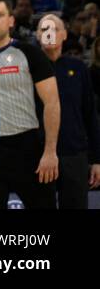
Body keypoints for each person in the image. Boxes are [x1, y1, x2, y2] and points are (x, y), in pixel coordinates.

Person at [0, 0, 59, 209]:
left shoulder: (29, 53)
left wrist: (50, 152)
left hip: (28, 148)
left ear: (11, 20)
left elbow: (52, 103)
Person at [35, 13, 100, 208]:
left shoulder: (78, 68)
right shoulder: (28, 68)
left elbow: (90, 115)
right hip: (38, 156)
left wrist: (97, 160)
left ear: (64, 35)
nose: (50, 33)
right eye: (44, 29)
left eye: (55, 29)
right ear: (37, 35)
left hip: (74, 155)